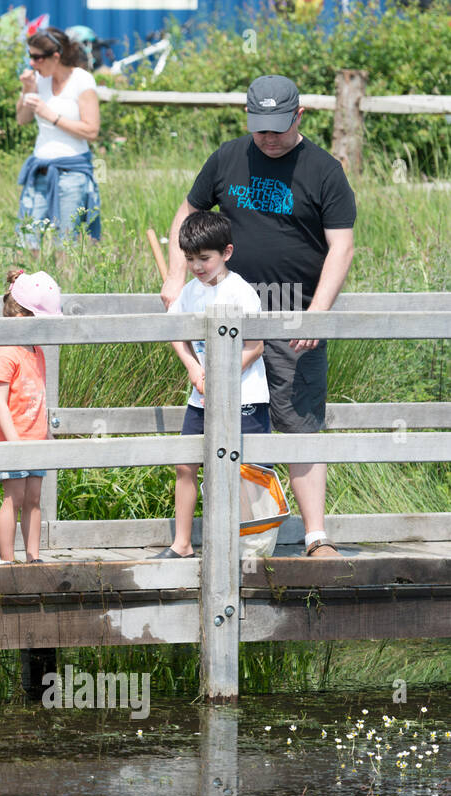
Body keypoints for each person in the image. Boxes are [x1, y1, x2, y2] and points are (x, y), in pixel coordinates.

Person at [161, 75, 356, 557]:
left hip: (292, 311)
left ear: (299, 116)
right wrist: (172, 275)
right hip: (224, 307)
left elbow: (341, 246)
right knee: (220, 421)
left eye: (276, 127)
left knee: (299, 421)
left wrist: (316, 314)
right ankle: (226, 539)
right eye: (259, 127)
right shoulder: (229, 156)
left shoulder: (324, 170)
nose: (267, 138)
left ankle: (315, 536)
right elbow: (187, 213)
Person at [155, 211, 269, 559]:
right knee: (186, 464)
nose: (197, 266)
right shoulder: (189, 293)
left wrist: (223, 376)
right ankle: (183, 543)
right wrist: (193, 368)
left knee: (242, 469)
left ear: (227, 253)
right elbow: (176, 332)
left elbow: (256, 345)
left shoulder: (241, 292)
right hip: (201, 395)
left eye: (204, 258)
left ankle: (244, 548)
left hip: (243, 395)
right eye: (190, 259)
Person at [0, 269, 58, 563]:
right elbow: (0, 402)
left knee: (34, 498)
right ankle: (7, 560)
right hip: (12, 438)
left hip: (35, 437)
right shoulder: (5, 352)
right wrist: (14, 441)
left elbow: (38, 393)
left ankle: (33, 557)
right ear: (20, 319)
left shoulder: (35, 350)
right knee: (13, 498)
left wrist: (46, 432)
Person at [14, 27, 101, 252]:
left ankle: (67, 285)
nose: (32, 63)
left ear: (56, 56)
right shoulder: (39, 80)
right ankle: (27, 286)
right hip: (40, 169)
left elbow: (91, 130)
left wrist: (51, 116)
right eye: (30, 56)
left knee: (66, 243)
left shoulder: (82, 80)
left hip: (72, 172)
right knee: (26, 239)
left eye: (37, 57)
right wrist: (26, 90)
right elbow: (22, 119)